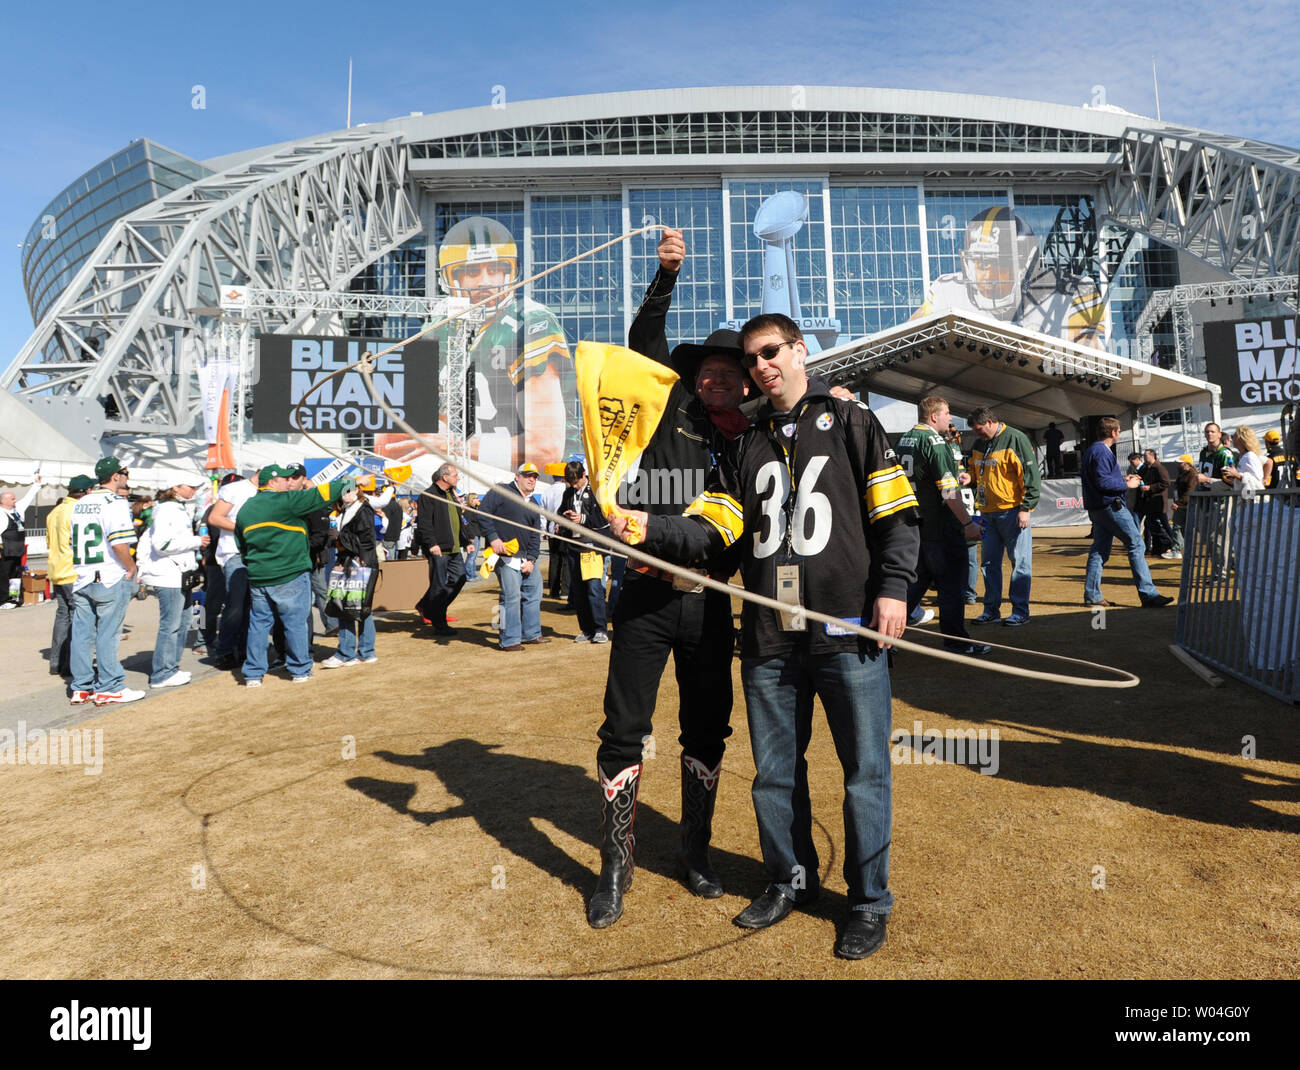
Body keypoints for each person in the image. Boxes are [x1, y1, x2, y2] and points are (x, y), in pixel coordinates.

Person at [617, 312, 920, 961]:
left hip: (846, 633)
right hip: (769, 643)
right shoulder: (743, 443)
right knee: (775, 775)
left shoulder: (853, 422)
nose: (762, 365)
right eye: (754, 357)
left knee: (865, 774)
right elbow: (712, 531)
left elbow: (897, 518)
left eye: (771, 351)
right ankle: (790, 880)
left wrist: (893, 590)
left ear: (800, 350)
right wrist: (653, 532)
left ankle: (868, 903)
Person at [585, 226, 749, 929]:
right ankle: (614, 872)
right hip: (647, 596)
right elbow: (642, 340)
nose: (716, 378)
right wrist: (665, 276)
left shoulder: (752, 439)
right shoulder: (667, 407)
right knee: (625, 730)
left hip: (711, 604)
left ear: (745, 382)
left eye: (729, 371)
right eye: (707, 368)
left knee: (708, 729)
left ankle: (695, 853)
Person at [234, 466, 351, 686]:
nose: (289, 483)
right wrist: (351, 481)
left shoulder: (246, 509)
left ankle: (253, 675)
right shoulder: (286, 500)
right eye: (285, 479)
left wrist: (255, 564)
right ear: (273, 482)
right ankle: (299, 670)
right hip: (289, 571)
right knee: (295, 623)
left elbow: (241, 545)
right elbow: (321, 494)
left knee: (259, 625)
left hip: (259, 575)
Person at [896, 396, 988, 656]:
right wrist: (968, 522)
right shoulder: (935, 442)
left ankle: (884, 638)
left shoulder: (904, 438)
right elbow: (949, 492)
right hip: (941, 528)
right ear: (934, 416)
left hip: (916, 525)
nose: (950, 419)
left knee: (916, 583)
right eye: (947, 414)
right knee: (951, 587)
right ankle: (956, 641)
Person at [69, 457, 144, 705]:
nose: (126, 477)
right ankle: (110, 685)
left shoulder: (82, 502)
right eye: (124, 473)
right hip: (107, 575)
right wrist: (131, 567)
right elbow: (118, 542)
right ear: (115, 476)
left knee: (81, 634)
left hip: (82, 574)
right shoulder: (115, 502)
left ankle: (81, 686)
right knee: (108, 633)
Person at [1081, 418, 1174, 609]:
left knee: (1099, 550)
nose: (1120, 433)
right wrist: (1127, 484)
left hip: (1098, 508)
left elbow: (1101, 478)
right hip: (1110, 506)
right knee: (1136, 544)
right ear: (1114, 432)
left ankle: (1092, 595)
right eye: (1119, 430)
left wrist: (1122, 478)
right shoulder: (1101, 451)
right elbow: (1103, 482)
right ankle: (1148, 594)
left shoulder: (1092, 450)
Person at [968, 407, 1039, 626]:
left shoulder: (1016, 439)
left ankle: (1020, 610)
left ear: (990, 422)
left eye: (979, 429)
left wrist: (1026, 508)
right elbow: (975, 471)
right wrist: (967, 476)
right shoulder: (979, 443)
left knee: (1019, 562)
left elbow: (1031, 476)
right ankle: (991, 610)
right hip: (987, 513)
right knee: (989, 564)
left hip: (1012, 511)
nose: (977, 434)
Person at [137, 474, 209, 688]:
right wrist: (195, 541)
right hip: (168, 574)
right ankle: (162, 672)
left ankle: (170, 668)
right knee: (171, 624)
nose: (194, 489)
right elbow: (162, 544)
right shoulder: (167, 509)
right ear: (176, 487)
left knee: (183, 622)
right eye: (190, 486)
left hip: (177, 572)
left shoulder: (173, 508)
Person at [478, 463, 546, 652]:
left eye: (534, 476)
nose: (532, 479)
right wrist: (493, 538)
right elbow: (482, 514)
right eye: (527, 476)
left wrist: (532, 559)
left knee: (534, 593)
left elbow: (535, 533)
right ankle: (509, 640)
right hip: (504, 555)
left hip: (526, 557)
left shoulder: (533, 503)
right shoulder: (502, 491)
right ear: (517, 476)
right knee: (511, 597)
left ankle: (531, 633)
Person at [321, 481, 380, 667]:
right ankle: (364, 651)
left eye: (348, 491)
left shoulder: (362, 510)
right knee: (358, 607)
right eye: (341, 492)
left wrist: (339, 537)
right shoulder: (348, 509)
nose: (344, 495)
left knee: (351, 607)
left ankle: (348, 652)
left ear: (356, 490)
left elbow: (366, 541)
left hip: (360, 563)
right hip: (353, 561)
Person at [207, 470, 259, 668]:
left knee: (251, 606)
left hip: (255, 555)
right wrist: (244, 529)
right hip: (233, 554)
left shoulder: (267, 491)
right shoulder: (234, 489)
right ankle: (224, 650)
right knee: (232, 605)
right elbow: (214, 518)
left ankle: (245, 649)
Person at [46, 474, 94, 677]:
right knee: (78, 619)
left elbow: (50, 542)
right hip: (72, 571)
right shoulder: (77, 510)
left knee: (62, 616)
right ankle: (73, 665)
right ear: (86, 492)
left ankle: (56, 662)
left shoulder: (55, 511)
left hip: (56, 569)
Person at [558, 460, 610, 644]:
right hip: (574, 547)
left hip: (592, 548)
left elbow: (604, 519)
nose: (574, 485)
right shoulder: (568, 493)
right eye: (571, 483)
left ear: (583, 475)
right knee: (578, 591)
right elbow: (559, 512)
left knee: (594, 589)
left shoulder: (597, 491)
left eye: (577, 482)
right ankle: (586, 629)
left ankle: (600, 629)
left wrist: (583, 518)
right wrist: (562, 520)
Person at [415, 463, 468, 636]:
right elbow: (424, 523)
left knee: (460, 578)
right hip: (439, 549)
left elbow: (457, 520)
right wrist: (432, 543)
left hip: (454, 548)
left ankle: (429, 606)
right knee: (438, 586)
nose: (458, 478)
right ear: (445, 477)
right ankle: (439, 622)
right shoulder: (428, 496)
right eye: (455, 475)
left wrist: (466, 540)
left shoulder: (451, 495)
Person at [0, 476, 42, 609]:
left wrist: (36, 485)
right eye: (12, 498)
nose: (15, 500)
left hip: (17, 550)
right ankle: (3, 600)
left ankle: (14, 598)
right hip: (5, 550)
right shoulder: (1, 514)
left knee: (15, 575)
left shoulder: (17, 510)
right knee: (3, 576)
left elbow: (28, 497)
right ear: (3, 501)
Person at [1139, 449, 1175, 556]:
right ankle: (1158, 548)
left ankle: (1171, 544)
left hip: (1158, 502)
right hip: (1150, 502)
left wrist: (1150, 487)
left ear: (1152, 456)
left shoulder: (1159, 468)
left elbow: (1166, 482)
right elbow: (1140, 475)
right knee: (1151, 524)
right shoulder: (1146, 468)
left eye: (1146, 455)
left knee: (1161, 524)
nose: (1144, 457)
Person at [1168, 454, 1196, 558]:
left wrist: (1178, 503)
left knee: (1179, 527)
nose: (1179, 465)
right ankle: (1179, 549)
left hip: (1185, 504)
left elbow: (1189, 491)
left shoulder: (1192, 475)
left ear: (1187, 464)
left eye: (1181, 463)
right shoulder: (1183, 473)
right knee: (1180, 527)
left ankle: (1177, 550)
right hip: (1182, 503)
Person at [1222, 427, 1266, 492]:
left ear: (1240, 439)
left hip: (1252, 499)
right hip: (1245, 497)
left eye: (1233, 436)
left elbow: (1256, 481)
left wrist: (1236, 474)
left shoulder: (1250, 457)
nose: (1231, 439)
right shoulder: (1243, 456)